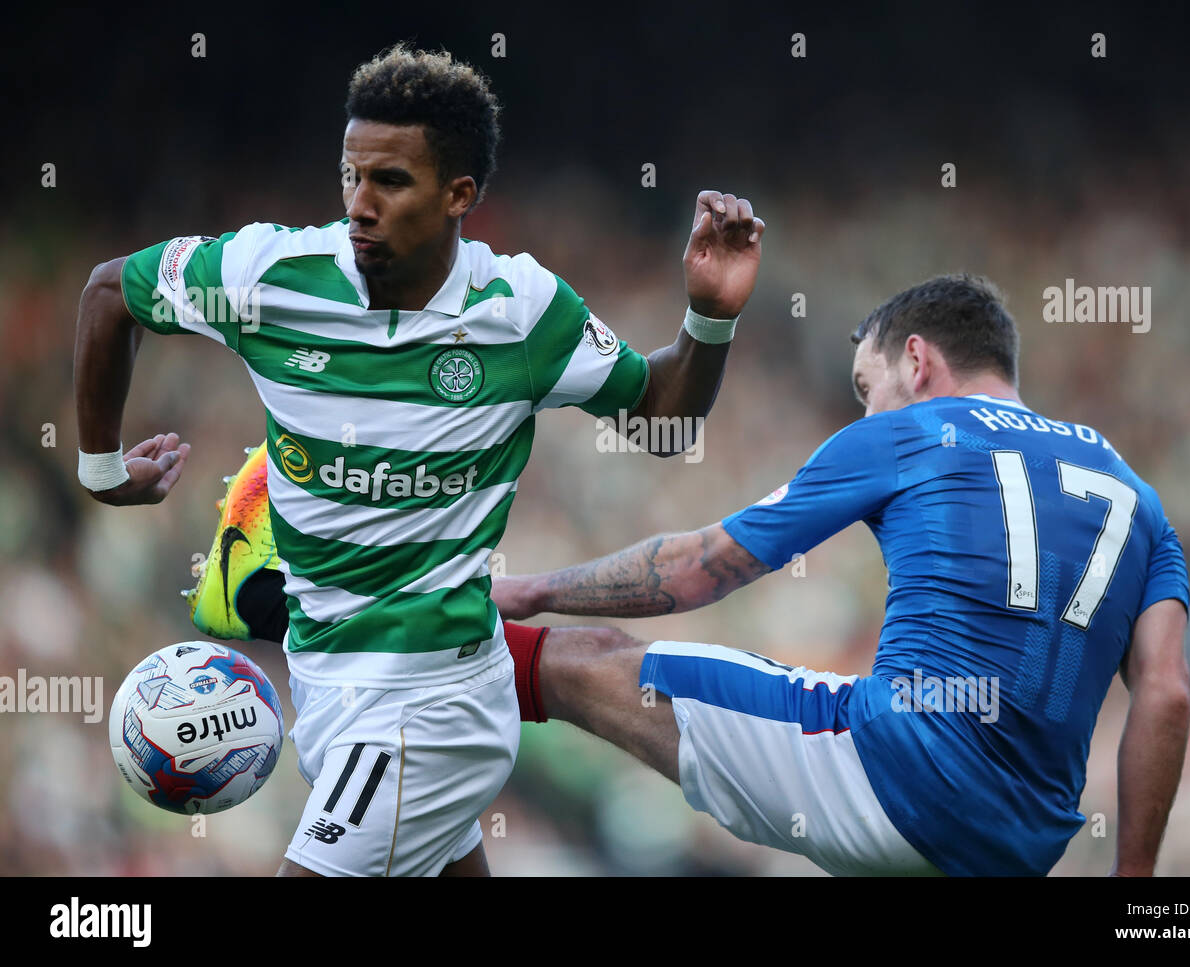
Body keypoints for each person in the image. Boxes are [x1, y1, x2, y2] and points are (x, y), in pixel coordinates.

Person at [73, 43, 764, 877]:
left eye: (390, 182)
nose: (359, 205)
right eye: (349, 176)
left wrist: (709, 319)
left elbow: (662, 418)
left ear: (458, 195)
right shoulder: (266, 276)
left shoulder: (521, 309)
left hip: (433, 701)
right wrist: (101, 470)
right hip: (323, 682)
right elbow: (112, 292)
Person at [488, 273, 1190, 876]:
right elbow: (1165, 695)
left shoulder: (906, 432)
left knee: (589, 658)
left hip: (900, 775)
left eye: (866, 386)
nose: (865, 409)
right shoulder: (1138, 495)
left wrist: (530, 590)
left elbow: (701, 570)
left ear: (915, 359)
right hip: (1021, 847)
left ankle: (421, 651)